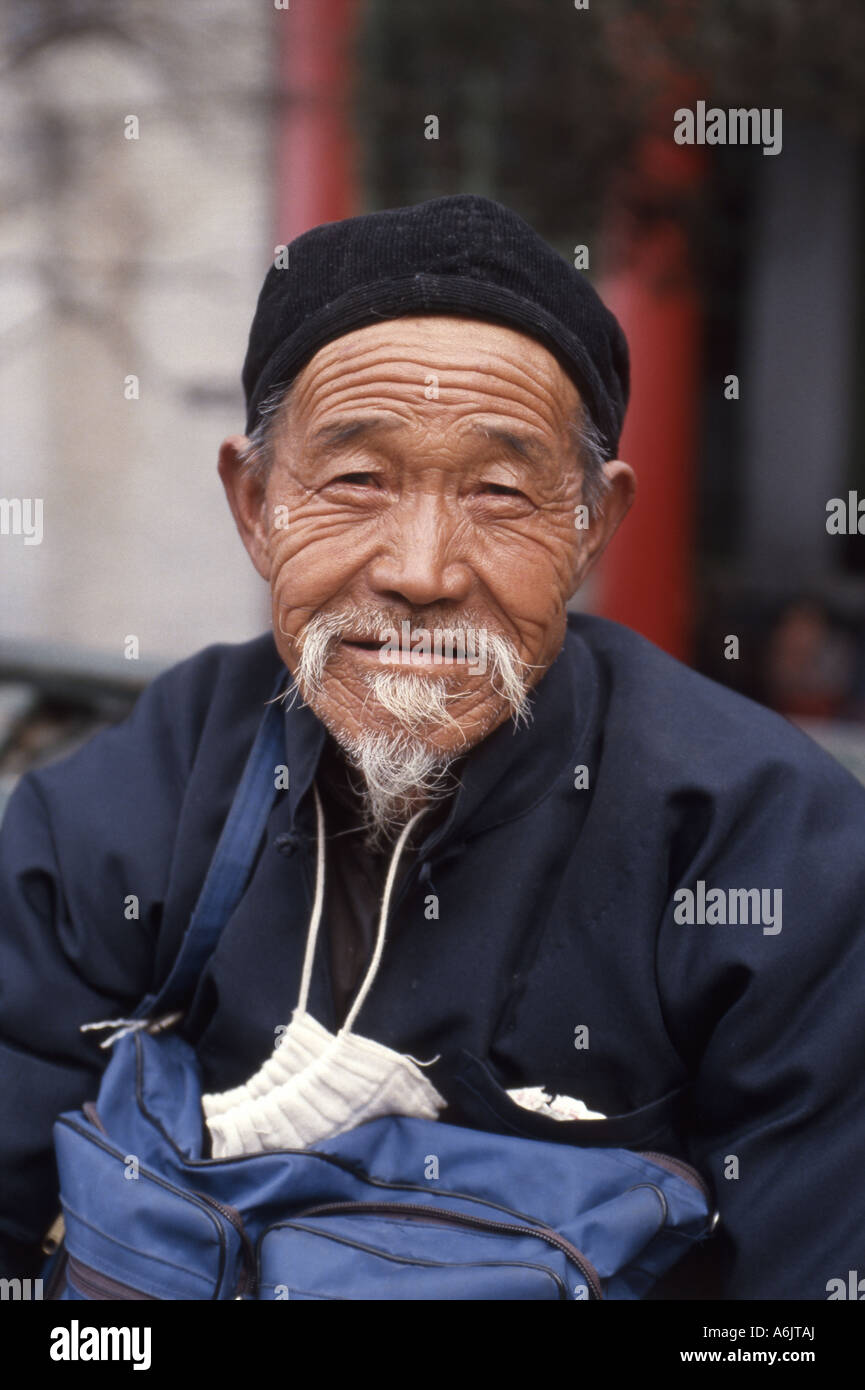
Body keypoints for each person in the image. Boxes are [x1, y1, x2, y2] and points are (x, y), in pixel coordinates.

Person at [1, 194, 864, 1300]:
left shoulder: (765, 849)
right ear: (256, 503)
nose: (421, 569)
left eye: (501, 492)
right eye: (356, 480)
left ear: (590, 525)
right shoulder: (141, 790)